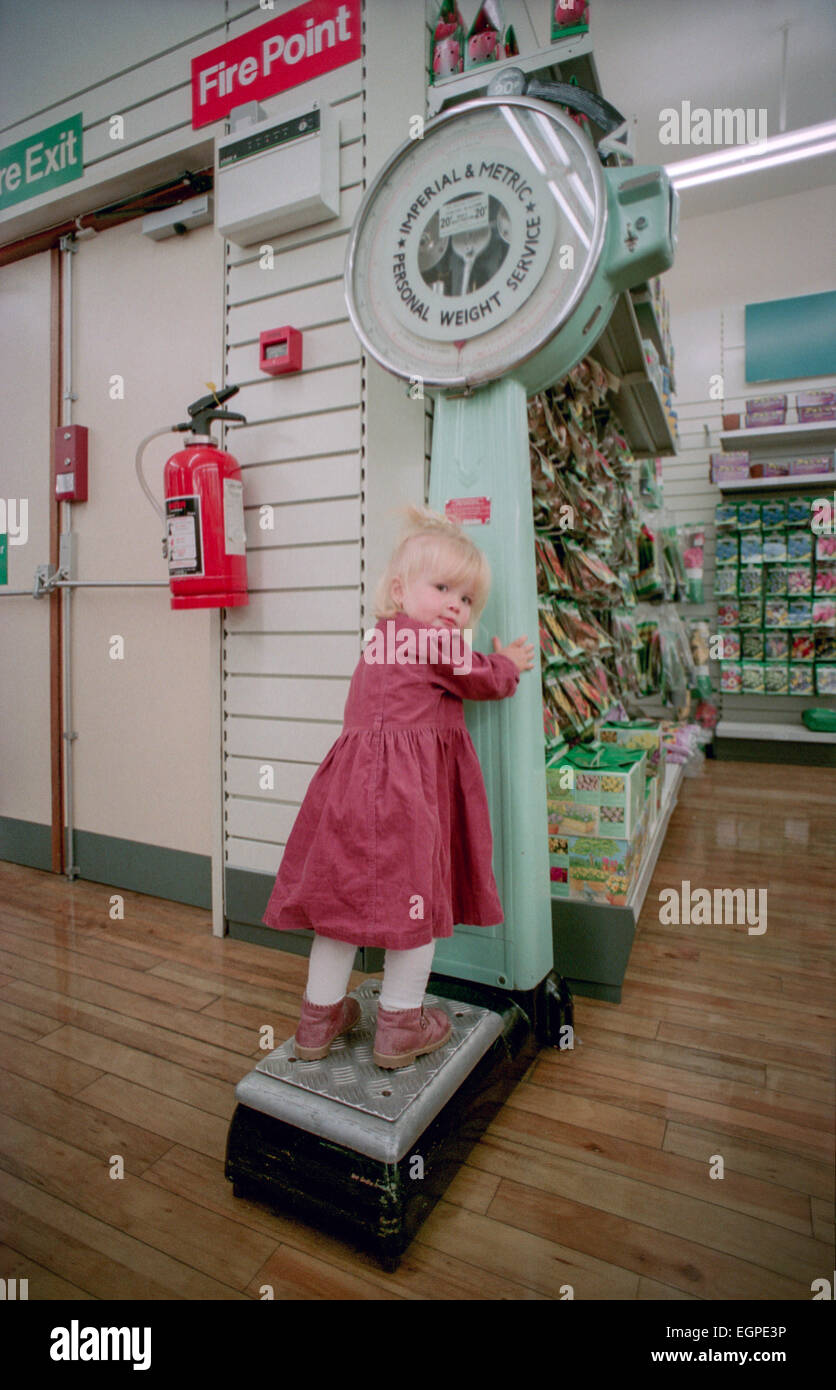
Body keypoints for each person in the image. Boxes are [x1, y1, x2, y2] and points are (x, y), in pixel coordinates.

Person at [262, 504, 534, 1069]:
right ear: (399, 589)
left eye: (466, 601)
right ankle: (399, 1027)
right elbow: (481, 678)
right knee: (416, 909)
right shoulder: (431, 642)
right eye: (443, 589)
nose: (456, 607)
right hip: (403, 805)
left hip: (346, 797)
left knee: (338, 911)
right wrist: (507, 662)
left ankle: (317, 1022)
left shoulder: (378, 641)